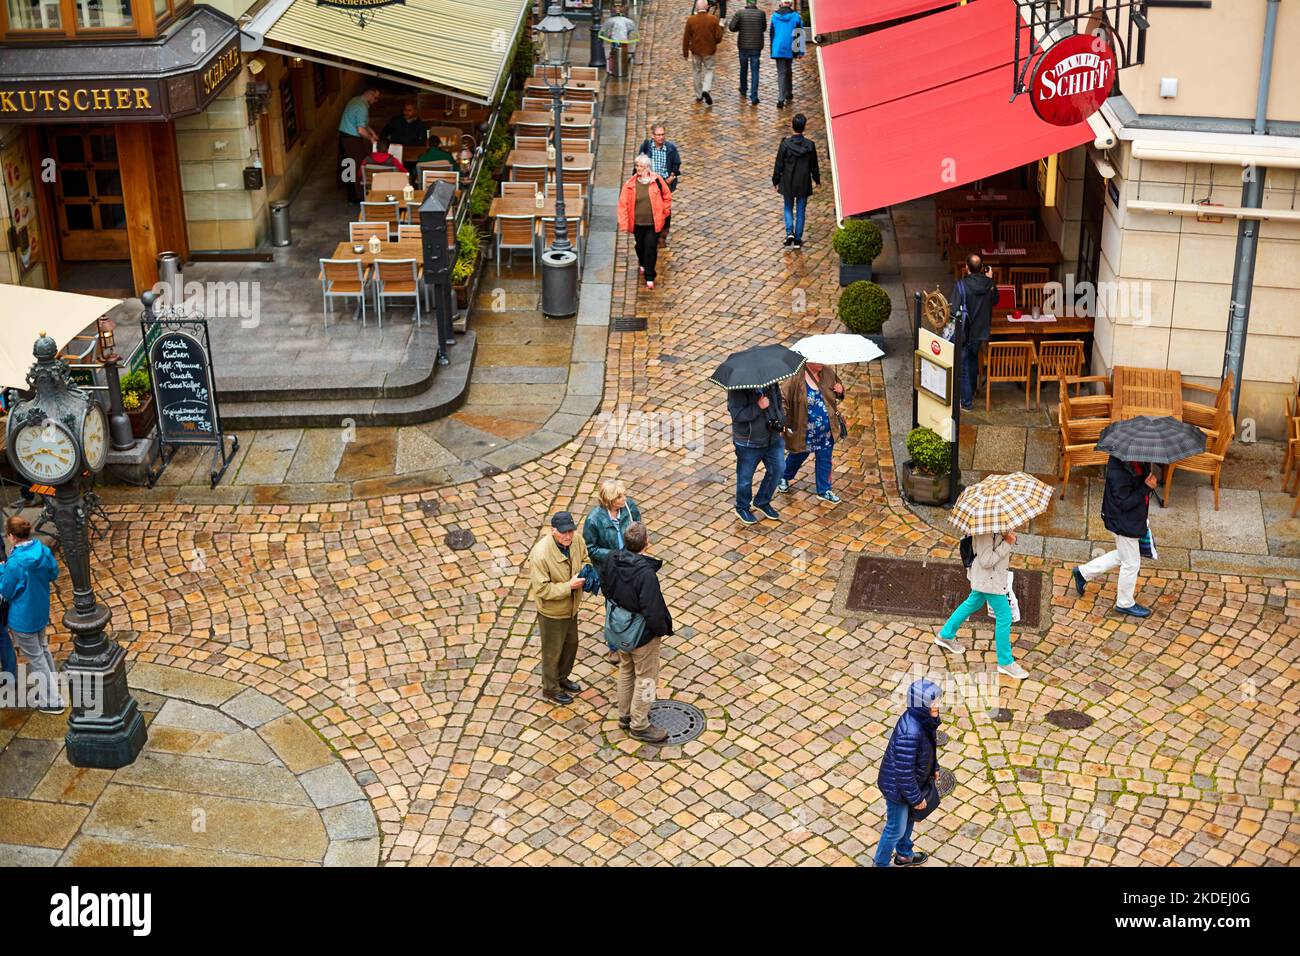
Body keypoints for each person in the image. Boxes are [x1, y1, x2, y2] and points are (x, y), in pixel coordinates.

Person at [601, 522, 673, 743]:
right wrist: (662, 630)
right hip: (642, 635)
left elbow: (605, 588)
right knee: (647, 679)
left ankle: (625, 715)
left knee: (626, 670)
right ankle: (640, 724)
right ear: (646, 543)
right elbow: (653, 609)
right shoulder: (645, 574)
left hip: (619, 629)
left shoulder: (612, 559)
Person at [934, 524, 1028, 679]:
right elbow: (986, 560)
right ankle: (1005, 662)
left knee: (973, 603)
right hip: (989, 580)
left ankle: (945, 634)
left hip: (989, 578)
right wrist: (1007, 543)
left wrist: (1005, 535)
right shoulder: (985, 529)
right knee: (1004, 617)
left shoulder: (994, 524)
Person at [1073, 457, 1157, 618]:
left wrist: (1147, 483)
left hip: (1131, 520)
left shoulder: (1137, 461)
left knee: (1124, 555)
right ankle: (1124, 603)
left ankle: (1083, 573)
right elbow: (1124, 503)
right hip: (1123, 523)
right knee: (1131, 563)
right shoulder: (1119, 472)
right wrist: (1146, 487)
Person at [873, 679, 942, 867]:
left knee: (909, 820)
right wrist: (916, 798)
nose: (938, 705)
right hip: (898, 789)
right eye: (933, 701)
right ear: (922, 704)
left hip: (911, 785)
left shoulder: (924, 721)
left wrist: (933, 767)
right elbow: (903, 774)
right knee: (895, 828)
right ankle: (880, 863)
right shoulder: (910, 732)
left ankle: (904, 854)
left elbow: (928, 748)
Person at [527, 512, 591, 705]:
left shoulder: (577, 541)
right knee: (552, 652)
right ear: (552, 530)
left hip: (571, 607)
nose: (568, 536)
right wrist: (568, 587)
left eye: (571, 531)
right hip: (552, 612)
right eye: (563, 532)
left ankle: (562, 678)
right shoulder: (540, 555)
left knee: (571, 646)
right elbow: (541, 589)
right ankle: (550, 688)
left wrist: (586, 573)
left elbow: (586, 559)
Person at [0, 515, 62, 713]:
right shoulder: (42, 551)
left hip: (22, 618)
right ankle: (52, 688)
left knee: (36, 658)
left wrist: (3, 571)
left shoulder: (15, 562)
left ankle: (52, 700)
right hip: (40, 610)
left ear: (12, 536)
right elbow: (53, 573)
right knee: (43, 650)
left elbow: (6, 591)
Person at [778, 360, 843, 503]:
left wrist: (840, 390)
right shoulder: (795, 377)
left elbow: (836, 392)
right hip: (804, 430)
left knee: (825, 459)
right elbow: (782, 398)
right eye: (817, 360)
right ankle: (784, 476)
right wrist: (782, 418)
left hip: (826, 430)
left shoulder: (828, 372)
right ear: (807, 360)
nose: (821, 363)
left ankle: (824, 490)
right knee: (798, 456)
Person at [729, 381, 786, 525]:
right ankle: (742, 507)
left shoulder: (770, 381)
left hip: (772, 437)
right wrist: (758, 406)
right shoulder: (737, 387)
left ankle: (762, 501)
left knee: (778, 469)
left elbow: (778, 399)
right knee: (745, 478)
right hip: (748, 442)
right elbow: (737, 415)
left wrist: (781, 418)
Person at [617, 153, 671, 290]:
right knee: (640, 246)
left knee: (651, 247)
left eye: (641, 166)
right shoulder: (630, 184)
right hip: (637, 223)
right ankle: (642, 261)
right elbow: (623, 205)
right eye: (637, 166)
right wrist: (623, 223)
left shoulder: (657, 180)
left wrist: (664, 211)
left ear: (648, 167)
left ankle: (650, 275)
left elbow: (667, 195)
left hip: (653, 222)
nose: (638, 168)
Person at [951, 253, 997, 410]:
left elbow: (953, 310)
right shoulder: (989, 284)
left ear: (966, 268)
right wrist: (991, 279)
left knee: (963, 366)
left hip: (965, 331)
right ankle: (971, 392)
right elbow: (995, 300)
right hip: (981, 332)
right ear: (982, 267)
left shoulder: (961, 285)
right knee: (972, 361)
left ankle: (966, 401)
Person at [772, 112, 820, 248]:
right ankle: (798, 239)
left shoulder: (785, 144)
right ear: (804, 127)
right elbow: (814, 166)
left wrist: (775, 181)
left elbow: (779, 164)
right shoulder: (810, 145)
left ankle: (789, 233)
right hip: (803, 182)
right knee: (800, 211)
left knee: (787, 207)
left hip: (788, 181)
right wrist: (817, 180)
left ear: (792, 126)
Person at [637, 123, 681, 245]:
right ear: (653, 136)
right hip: (650, 182)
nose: (661, 137)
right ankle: (651, 233)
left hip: (665, 183)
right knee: (650, 208)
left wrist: (672, 176)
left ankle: (662, 235)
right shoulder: (646, 147)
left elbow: (677, 164)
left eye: (663, 134)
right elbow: (639, 163)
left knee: (665, 209)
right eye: (658, 135)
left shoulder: (671, 148)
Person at [583, 478, 643, 567]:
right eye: (619, 497)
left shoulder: (629, 506)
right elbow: (590, 549)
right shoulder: (593, 520)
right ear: (609, 500)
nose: (624, 499)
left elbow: (639, 530)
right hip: (609, 567)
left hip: (630, 561)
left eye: (624, 495)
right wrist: (614, 555)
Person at [339, 86, 381, 201]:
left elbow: (364, 123)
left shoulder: (355, 100)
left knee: (348, 164)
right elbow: (361, 130)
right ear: (371, 95)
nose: (375, 101)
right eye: (376, 98)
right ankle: (356, 196)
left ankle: (351, 193)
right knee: (356, 166)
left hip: (344, 135)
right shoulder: (362, 107)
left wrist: (373, 133)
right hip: (351, 139)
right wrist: (370, 139)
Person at [683, 0, 725, 106]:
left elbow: (686, 38)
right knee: (709, 70)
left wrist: (685, 52)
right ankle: (706, 89)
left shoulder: (691, 20)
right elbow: (719, 37)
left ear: (697, 8)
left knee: (696, 72)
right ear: (707, 7)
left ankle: (698, 95)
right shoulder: (713, 19)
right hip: (709, 51)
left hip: (696, 51)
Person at [769, 0, 805, 109]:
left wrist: (772, 49)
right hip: (790, 47)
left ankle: (783, 96)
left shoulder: (774, 17)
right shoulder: (796, 17)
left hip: (778, 47)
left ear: (781, 3)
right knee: (788, 69)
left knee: (782, 72)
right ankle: (786, 94)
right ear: (790, 4)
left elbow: (772, 34)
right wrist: (800, 51)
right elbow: (799, 34)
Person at [728, 0, 766, 105]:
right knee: (755, 71)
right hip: (756, 46)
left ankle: (743, 88)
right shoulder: (761, 13)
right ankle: (754, 95)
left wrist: (740, 27)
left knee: (743, 68)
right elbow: (763, 28)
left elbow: (731, 27)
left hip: (743, 45)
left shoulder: (740, 13)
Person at [599, 4, 640, 72]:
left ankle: (614, 67)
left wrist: (607, 36)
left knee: (615, 51)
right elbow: (632, 31)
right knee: (621, 51)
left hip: (615, 40)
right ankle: (620, 65)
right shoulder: (628, 21)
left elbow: (604, 31)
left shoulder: (610, 20)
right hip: (624, 40)